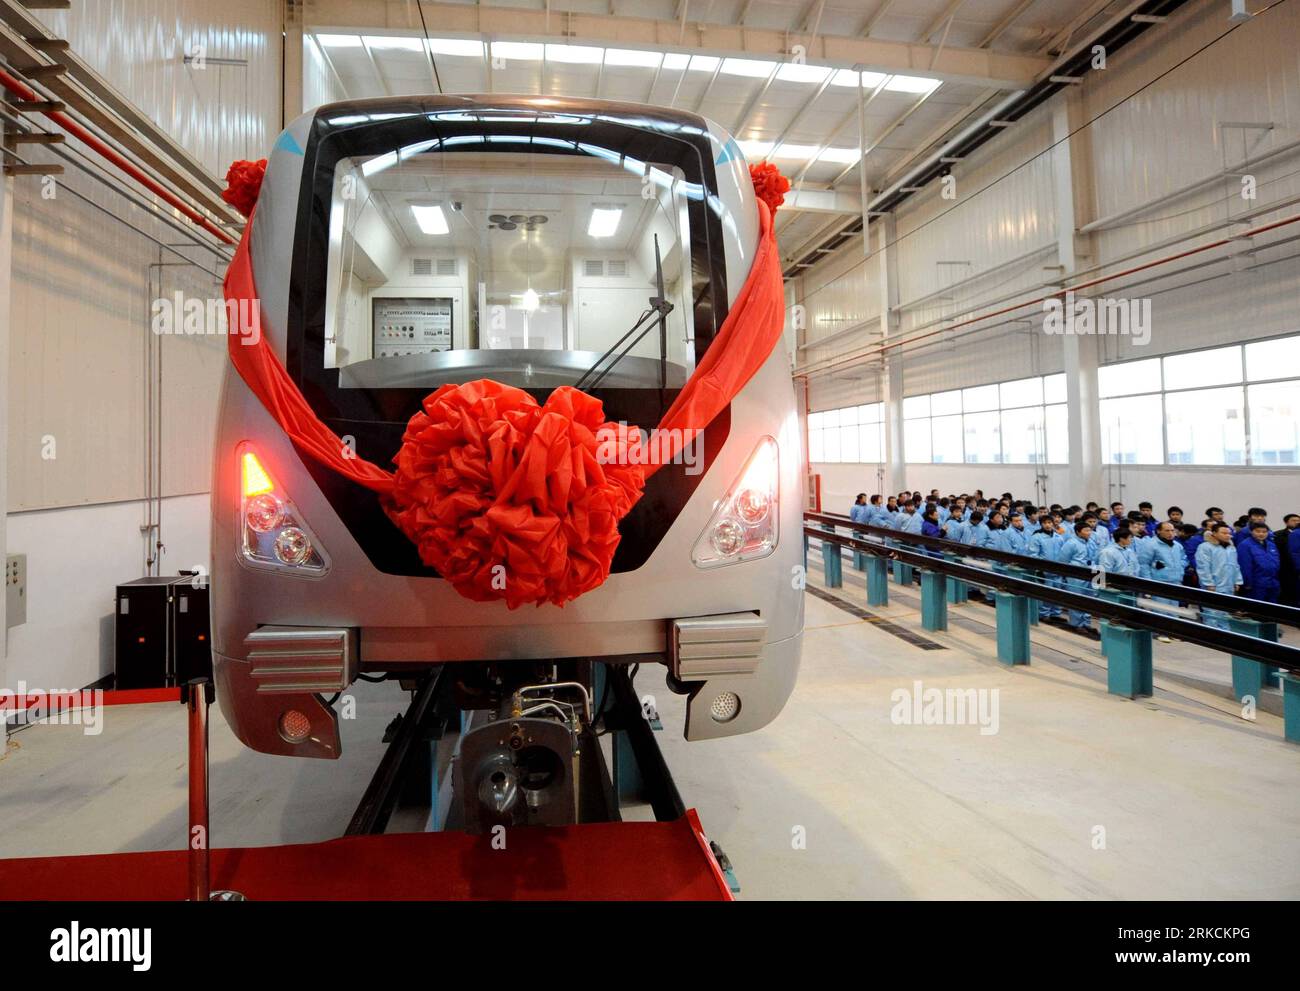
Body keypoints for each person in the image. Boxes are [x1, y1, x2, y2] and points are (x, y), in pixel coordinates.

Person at [1196, 522, 1242, 630]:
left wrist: (1237, 581)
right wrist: (1208, 583)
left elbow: (1235, 565)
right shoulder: (1205, 547)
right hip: (1213, 585)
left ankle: (1224, 632)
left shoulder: (1231, 547)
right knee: (1211, 612)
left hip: (1228, 585)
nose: (1227, 535)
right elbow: (1203, 566)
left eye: (1229, 533)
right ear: (1214, 533)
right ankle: (1212, 633)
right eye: (1224, 533)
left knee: (1225, 611)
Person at [1059, 520, 1099, 638]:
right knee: (1076, 599)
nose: (1089, 532)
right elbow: (1063, 560)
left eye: (1090, 530)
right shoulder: (1071, 543)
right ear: (1078, 532)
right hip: (1076, 575)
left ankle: (1086, 623)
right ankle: (1076, 624)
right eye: (1086, 530)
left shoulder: (1091, 542)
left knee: (1089, 599)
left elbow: (1095, 558)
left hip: (1090, 573)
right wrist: (1067, 574)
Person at [1237, 521, 1281, 604]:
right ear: (1251, 531)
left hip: (1273, 582)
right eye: (1258, 531)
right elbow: (1245, 566)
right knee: (1256, 607)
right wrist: (1248, 583)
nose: (1261, 534)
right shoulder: (1245, 545)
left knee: (1272, 607)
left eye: (1264, 532)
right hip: (1256, 583)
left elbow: (1276, 561)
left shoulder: (1271, 545)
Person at [1278, 513, 1300, 606]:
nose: (1297, 522)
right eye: (1293, 520)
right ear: (1286, 522)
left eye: (1298, 520)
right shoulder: (1278, 535)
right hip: (1286, 569)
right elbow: (1295, 553)